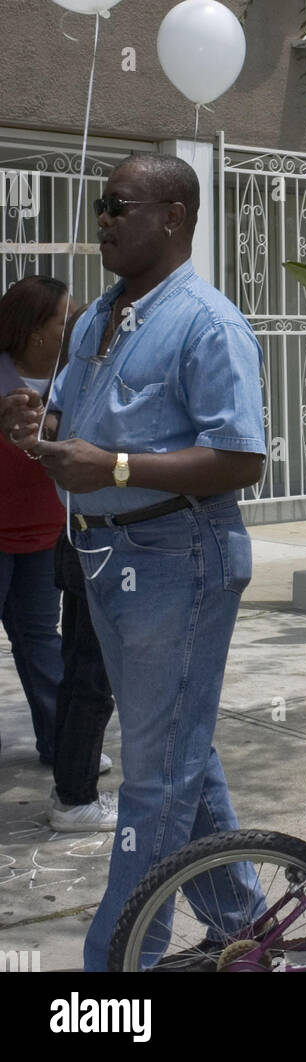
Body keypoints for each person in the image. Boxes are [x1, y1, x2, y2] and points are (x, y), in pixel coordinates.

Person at [4, 152, 267, 971]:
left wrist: (113, 469)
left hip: (175, 558)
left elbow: (240, 456)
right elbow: (82, 419)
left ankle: (117, 972)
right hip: (100, 558)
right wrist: (36, 418)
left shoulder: (208, 322)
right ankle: (245, 924)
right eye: (101, 206)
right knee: (180, 751)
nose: (104, 220)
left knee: (153, 780)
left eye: (120, 207)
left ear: (175, 217)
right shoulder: (95, 318)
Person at [0, 277, 68, 766]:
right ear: (35, 329)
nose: (70, 329)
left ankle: (62, 745)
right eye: (62, 320)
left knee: (43, 641)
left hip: (46, 533)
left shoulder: (74, 378)